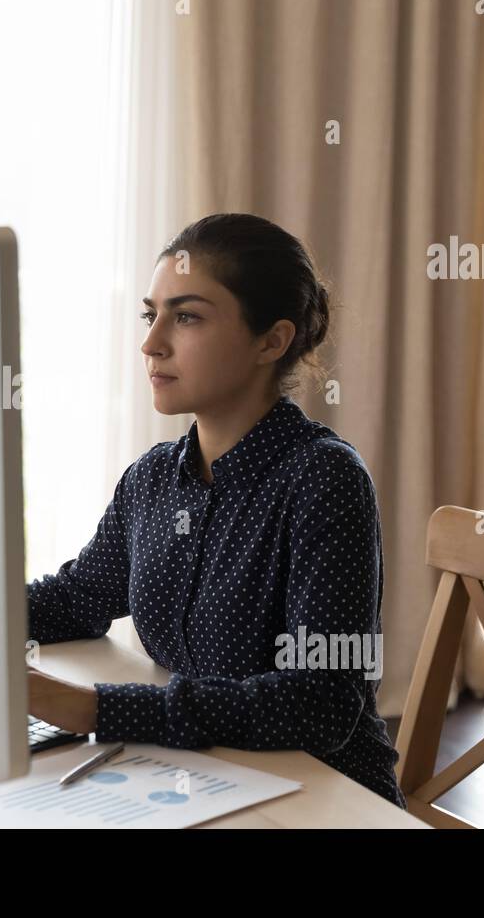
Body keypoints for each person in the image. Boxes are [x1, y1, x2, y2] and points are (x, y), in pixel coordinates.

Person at [25, 212, 405, 808]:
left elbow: (321, 703)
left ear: (271, 340)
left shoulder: (324, 481)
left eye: (188, 316)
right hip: (194, 782)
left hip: (323, 800)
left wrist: (95, 707)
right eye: (152, 315)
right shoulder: (152, 479)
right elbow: (74, 601)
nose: (152, 343)